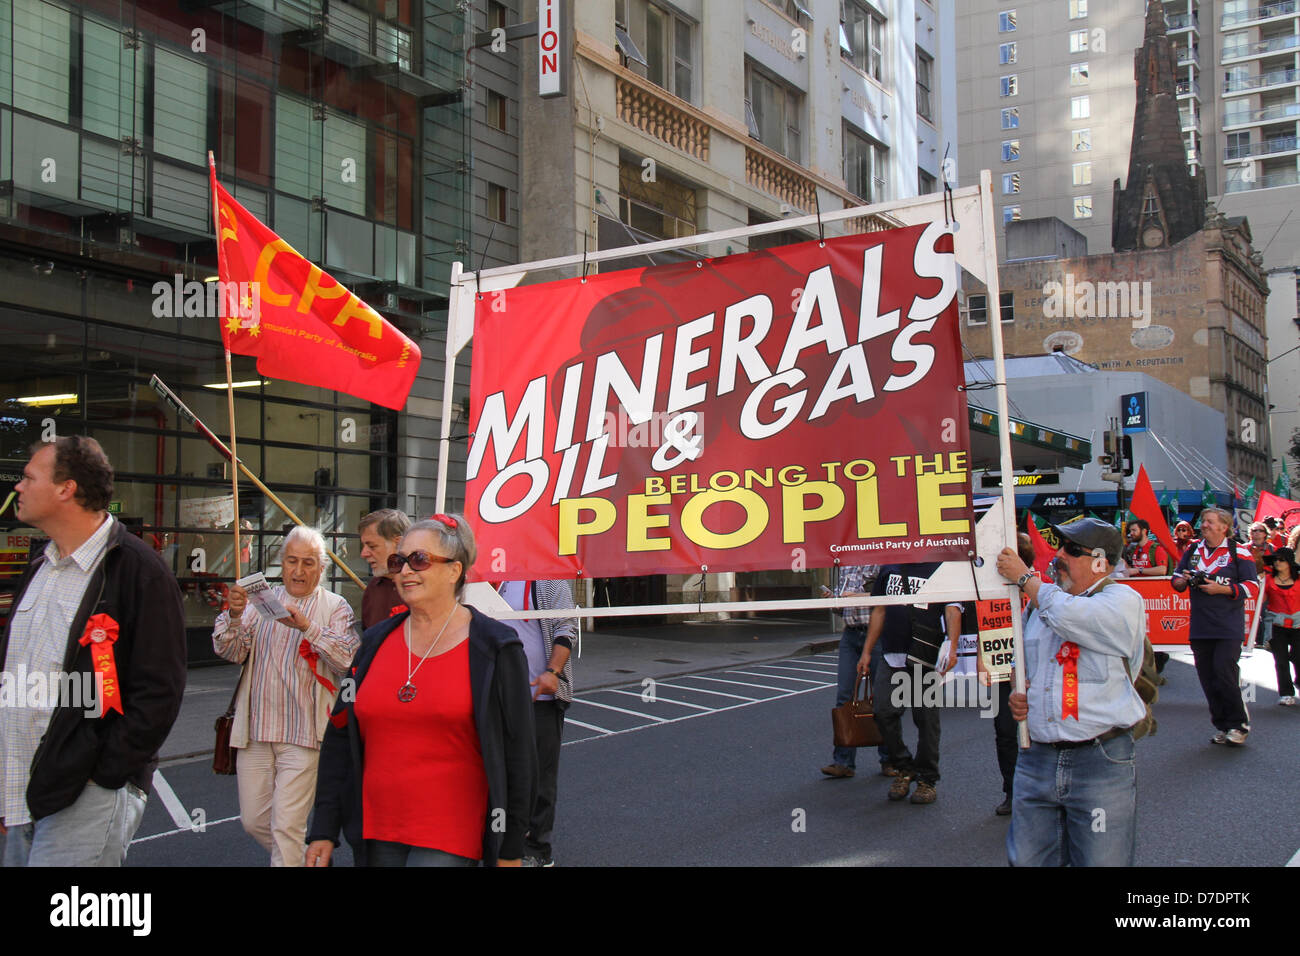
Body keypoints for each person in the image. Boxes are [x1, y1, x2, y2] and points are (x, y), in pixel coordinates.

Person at [305, 515, 536, 867]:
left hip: (450, 834)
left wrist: (511, 849)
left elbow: (519, 752)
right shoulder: (373, 643)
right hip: (377, 829)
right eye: (399, 561)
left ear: (454, 570)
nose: (406, 571)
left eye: (421, 560)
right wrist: (323, 828)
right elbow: (340, 735)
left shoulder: (496, 647)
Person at [1, 436, 186, 866]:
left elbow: (160, 692)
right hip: (21, 789)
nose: (18, 488)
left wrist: (103, 774)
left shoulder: (139, 571)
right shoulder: (39, 566)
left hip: (84, 792)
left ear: (66, 489)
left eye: (29, 478)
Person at [995, 516, 1146, 866]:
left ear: (1100, 563)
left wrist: (1026, 578)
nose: (1060, 555)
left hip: (1099, 760)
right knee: (1028, 861)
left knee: (1100, 861)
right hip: (1037, 759)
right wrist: (1022, 693)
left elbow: (1076, 618)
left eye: (1072, 550)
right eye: (1061, 546)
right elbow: (1028, 664)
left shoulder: (1123, 599)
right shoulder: (1040, 604)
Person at [213, 525, 359, 866]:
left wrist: (307, 627)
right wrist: (234, 615)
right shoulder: (261, 602)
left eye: (308, 563)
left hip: (305, 735)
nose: (298, 570)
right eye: (292, 561)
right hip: (256, 732)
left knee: (286, 827)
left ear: (321, 568)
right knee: (254, 822)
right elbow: (229, 651)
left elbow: (348, 660)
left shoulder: (335, 607)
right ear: (282, 563)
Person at [856, 562, 960, 805]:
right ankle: (904, 766)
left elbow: (953, 609)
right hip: (892, 655)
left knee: (926, 720)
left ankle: (927, 780)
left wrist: (952, 647)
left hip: (925, 657)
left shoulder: (940, 567)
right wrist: (867, 651)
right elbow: (880, 610)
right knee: (883, 713)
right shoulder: (889, 568)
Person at [494, 578, 577, 867]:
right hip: (495, 700)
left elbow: (567, 627)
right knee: (497, 776)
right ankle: (500, 843)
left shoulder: (548, 579)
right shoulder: (483, 576)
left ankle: (537, 849)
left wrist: (553, 671)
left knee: (539, 779)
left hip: (537, 698)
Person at [1171, 508, 1258, 746]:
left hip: (1228, 624)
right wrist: (1183, 580)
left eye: (1210, 522)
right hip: (1200, 624)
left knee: (1224, 672)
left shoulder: (1237, 550)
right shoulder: (1193, 549)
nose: (1204, 525)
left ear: (1224, 526)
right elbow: (1176, 579)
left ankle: (1238, 724)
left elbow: (1252, 586)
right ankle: (1222, 724)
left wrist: (1223, 589)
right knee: (1208, 678)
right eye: (1203, 521)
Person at [821, 564, 893, 779]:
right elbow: (844, 606)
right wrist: (833, 601)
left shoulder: (879, 559)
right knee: (844, 697)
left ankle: (889, 759)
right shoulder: (844, 564)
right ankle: (843, 761)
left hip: (878, 633)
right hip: (851, 634)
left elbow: (892, 594)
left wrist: (859, 595)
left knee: (881, 698)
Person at [358, 509, 412, 628]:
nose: (364, 553)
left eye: (372, 546)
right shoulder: (373, 589)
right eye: (364, 546)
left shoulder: (424, 586)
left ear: (399, 543)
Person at [1261, 547, 1300, 706]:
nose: (1277, 562)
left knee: (1298, 657)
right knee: (1281, 660)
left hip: (1298, 625)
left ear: (1289, 562)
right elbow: (1259, 602)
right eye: (1275, 559)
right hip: (1276, 625)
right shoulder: (1268, 579)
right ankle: (1286, 693)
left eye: (1281, 559)